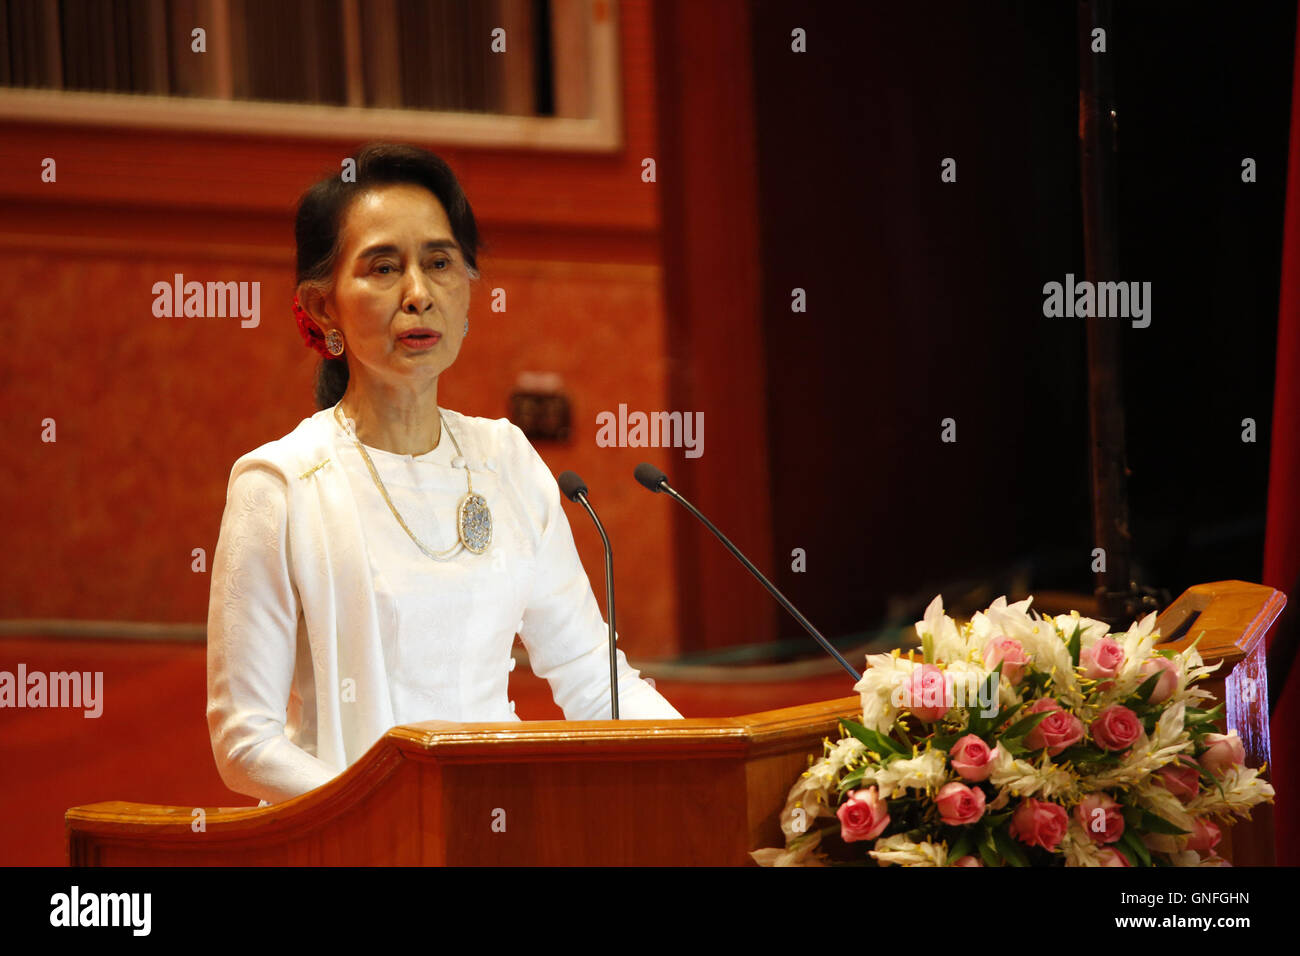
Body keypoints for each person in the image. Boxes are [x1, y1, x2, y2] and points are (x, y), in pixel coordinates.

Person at [206, 143, 682, 806]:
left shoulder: (506, 460)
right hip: (351, 841)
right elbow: (245, 742)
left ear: (468, 295)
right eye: (382, 267)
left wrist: (704, 764)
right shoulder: (280, 484)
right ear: (321, 309)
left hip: (500, 826)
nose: (418, 295)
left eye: (439, 263)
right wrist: (395, 817)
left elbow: (591, 677)